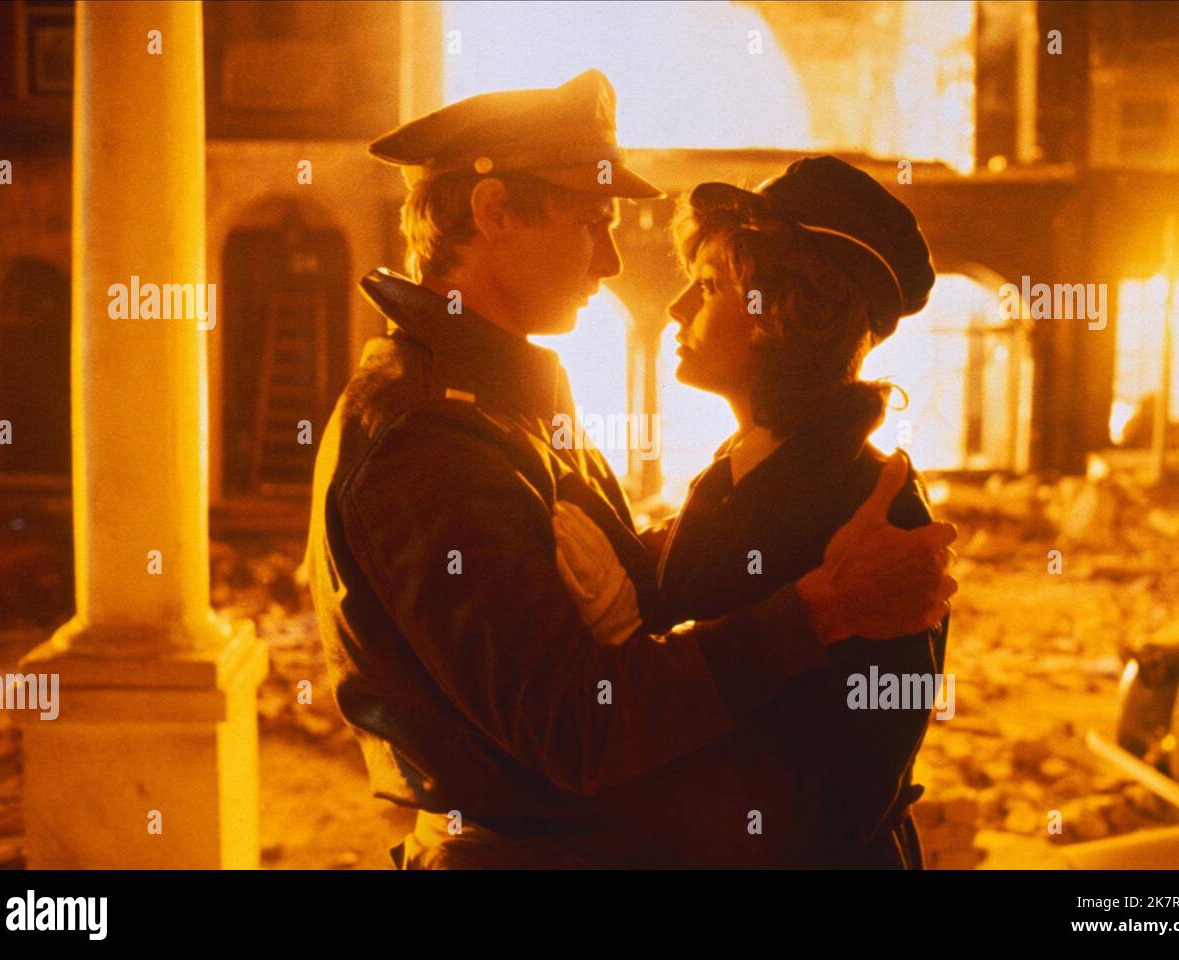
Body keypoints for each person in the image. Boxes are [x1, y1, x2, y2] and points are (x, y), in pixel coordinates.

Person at [305, 70, 957, 868]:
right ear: (496, 212)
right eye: (593, 222)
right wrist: (815, 609)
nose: (614, 263)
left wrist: (653, 552)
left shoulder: (501, 398)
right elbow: (579, 723)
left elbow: (839, 784)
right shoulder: (426, 436)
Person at [577, 156, 948, 866]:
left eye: (711, 286)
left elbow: (841, 799)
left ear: (783, 318)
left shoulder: (872, 510)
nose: (680, 308)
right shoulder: (744, 469)